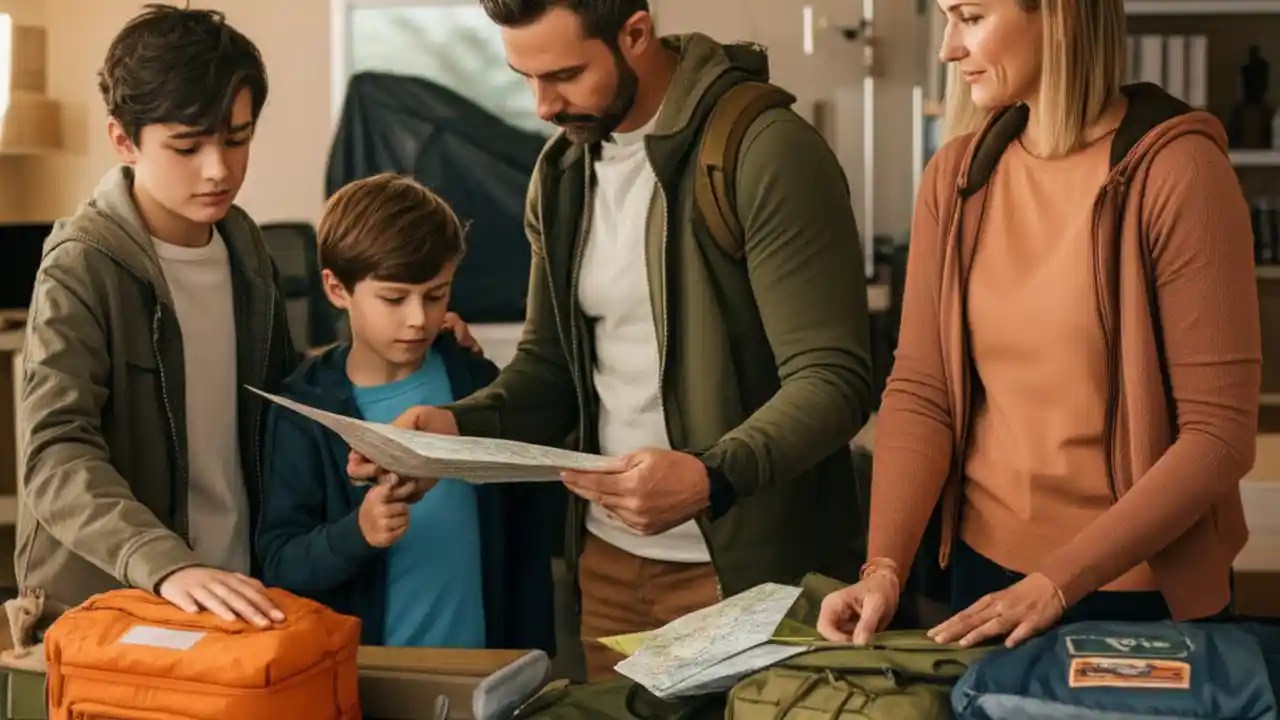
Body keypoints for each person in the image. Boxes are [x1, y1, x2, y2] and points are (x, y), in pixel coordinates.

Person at [351, 0, 873, 679]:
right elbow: (549, 368)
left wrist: (710, 476)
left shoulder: (765, 149)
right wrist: (450, 431)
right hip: (610, 570)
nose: (542, 105)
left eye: (565, 74)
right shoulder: (563, 174)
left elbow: (835, 379)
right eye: (525, 77)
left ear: (635, 33)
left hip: (750, 577)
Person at [818, 0, 1259, 650]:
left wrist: (1057, 580)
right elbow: (922, 389)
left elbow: (1218, 437)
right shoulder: (958, 177)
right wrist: (883, 568)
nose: (947, 49)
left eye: (969, 17)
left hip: (1138, 598)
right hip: (984, 584)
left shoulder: (1180, 174)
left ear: (1057, 15)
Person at [16, 4, 291, 626]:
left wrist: (389, 355)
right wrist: (165, 563)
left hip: (238, 591)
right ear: (123, 139)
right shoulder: (81, 265)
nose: (219, 169)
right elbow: (56, 453)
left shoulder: (245, 247)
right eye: (187, 146)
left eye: (238, 138)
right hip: (117, 602)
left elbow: (278, 400)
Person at [256, 174, 556, 653]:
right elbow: (279, 562)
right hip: (370, 682)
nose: (418, 318)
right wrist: (357, 533)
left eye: (436, 295)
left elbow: (526, 533)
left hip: (489, 675)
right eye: (395, 298)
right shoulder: (305, 411)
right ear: (336, 289)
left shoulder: (475, 381)